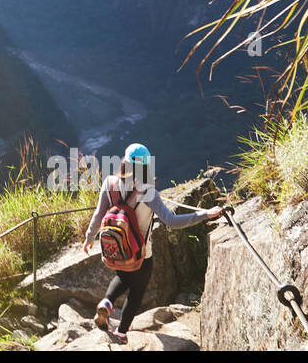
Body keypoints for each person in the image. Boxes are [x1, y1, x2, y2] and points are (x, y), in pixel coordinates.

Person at [82, 143, 224, 344]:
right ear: (146, 166)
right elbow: (171, 221)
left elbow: (98, 215)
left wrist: (89, 238)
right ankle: (122, 333)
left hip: (117, 249)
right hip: (141, 252)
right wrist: (204, 214)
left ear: (124, 162)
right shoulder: (148, 192)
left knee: (122, 276)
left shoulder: (110, 183)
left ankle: (107, 302)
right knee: (136, 292)